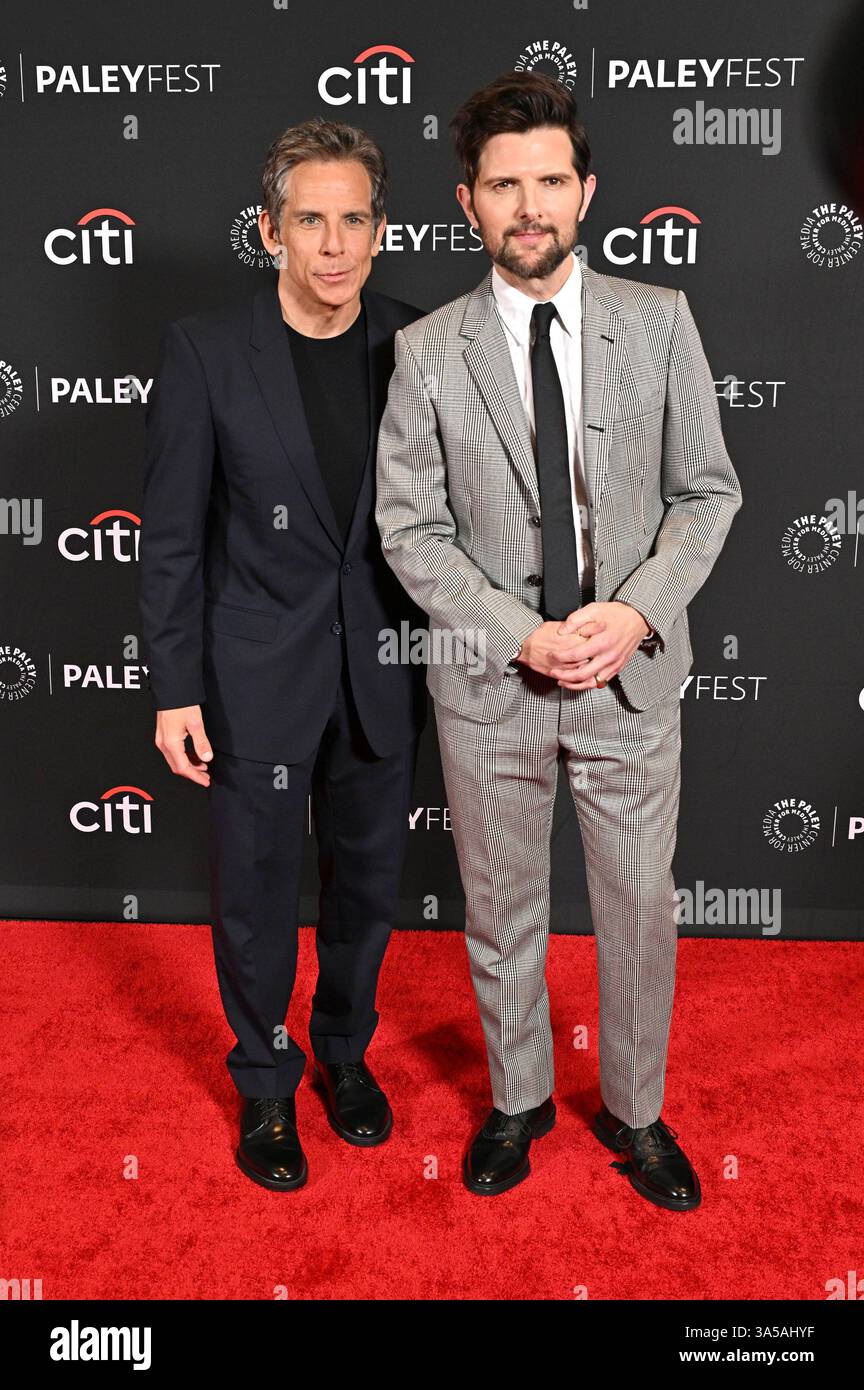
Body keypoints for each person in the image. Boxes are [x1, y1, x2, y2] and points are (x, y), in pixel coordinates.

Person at [376, 71, 742, 1209]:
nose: (527, 206)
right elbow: (411, 529)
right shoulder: (427, 351)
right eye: (502, 186)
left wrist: (632, 611)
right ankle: (519, 1100)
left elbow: (707, 495)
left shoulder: (662, 317)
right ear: (468, 203)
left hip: (631, 675)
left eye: (548, 182)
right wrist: (522, 631)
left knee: (640, 908)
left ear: (585, 191)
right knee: (501, 912)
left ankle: (637, 1115)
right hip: (493, 689)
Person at [138, 118, 427, 1192]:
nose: (335, 243)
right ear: (271, 232)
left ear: (381, 232)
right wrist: (174, 690)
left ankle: (345, 1054)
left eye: (355, 219)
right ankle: (265, 1081)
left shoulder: (420, 342)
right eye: (311, 220)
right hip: (256, 672)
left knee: (370, 886)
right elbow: (168, 536)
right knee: (257, 890)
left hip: (385, 669)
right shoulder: (206, 349)